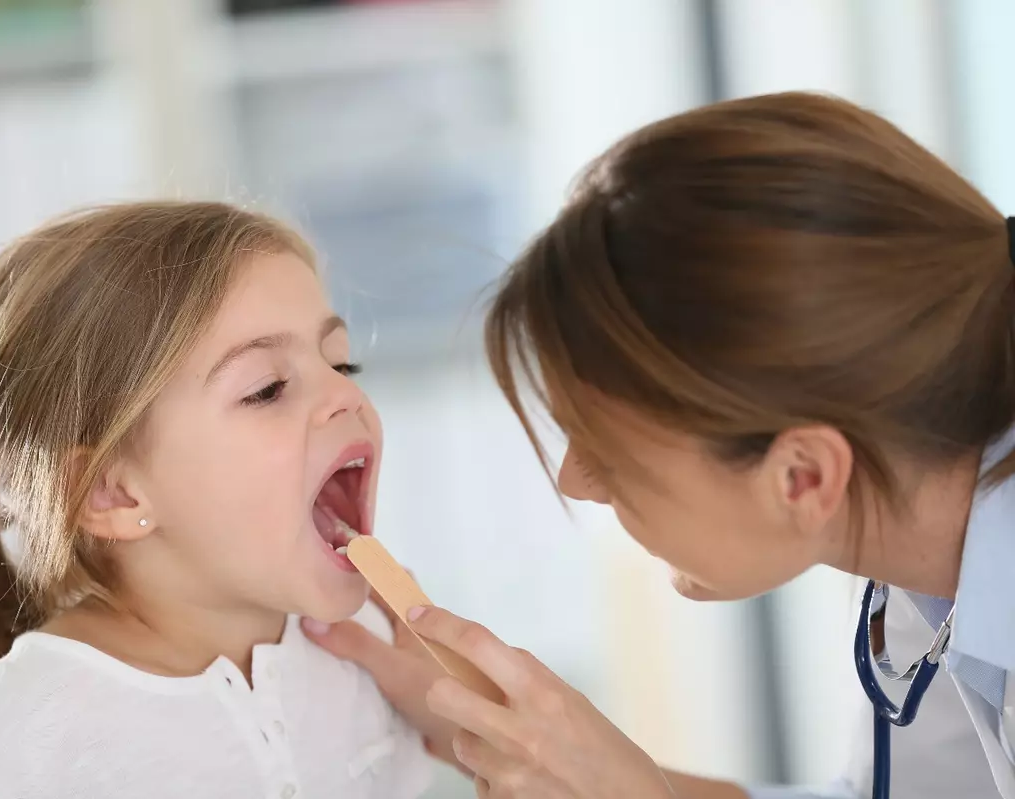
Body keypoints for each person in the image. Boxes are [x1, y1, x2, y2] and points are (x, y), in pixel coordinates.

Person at [302, 92, 1015, 798]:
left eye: (607, 452)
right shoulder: (936, 561)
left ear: (801, 476)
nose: (577, 481)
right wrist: (517, 735)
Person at [0, 203, 433, 798]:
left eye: (341, 362)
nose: (344, 395)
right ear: (112, 492)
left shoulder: (379, 656)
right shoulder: (9, 755)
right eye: (268, 389)